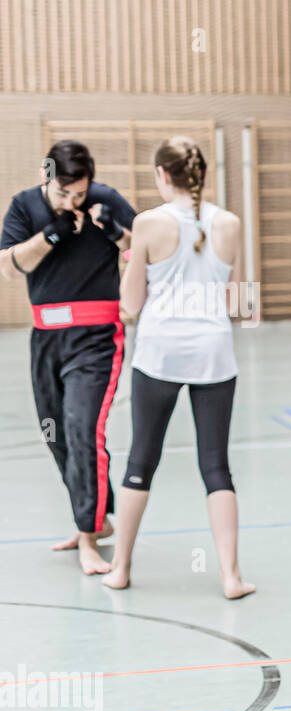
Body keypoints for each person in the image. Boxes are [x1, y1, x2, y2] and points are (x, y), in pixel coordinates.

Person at [103, 136, 254, 600]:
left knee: (141, 461)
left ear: (163, 176)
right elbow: (242, 301)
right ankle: (230, 577)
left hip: (159, 354)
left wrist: (132, 259)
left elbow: (130, 304)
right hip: (213, 353)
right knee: (216, 467)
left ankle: (121, 568)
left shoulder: (148, 222)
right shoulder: (229, 222)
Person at [0, 141, 135, 574]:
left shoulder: (106, 199)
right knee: (56, 432)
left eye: (80, 193)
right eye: (64, 194)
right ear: (46, 178)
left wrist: (117, 232)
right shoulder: (24, 206)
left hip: (97, 336)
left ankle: (90, 538)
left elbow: (144, 252)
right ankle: (94, 519)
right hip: (46, 337)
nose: (74, 202)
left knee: (83, 428)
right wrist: (50, 236)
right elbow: (8, 265)